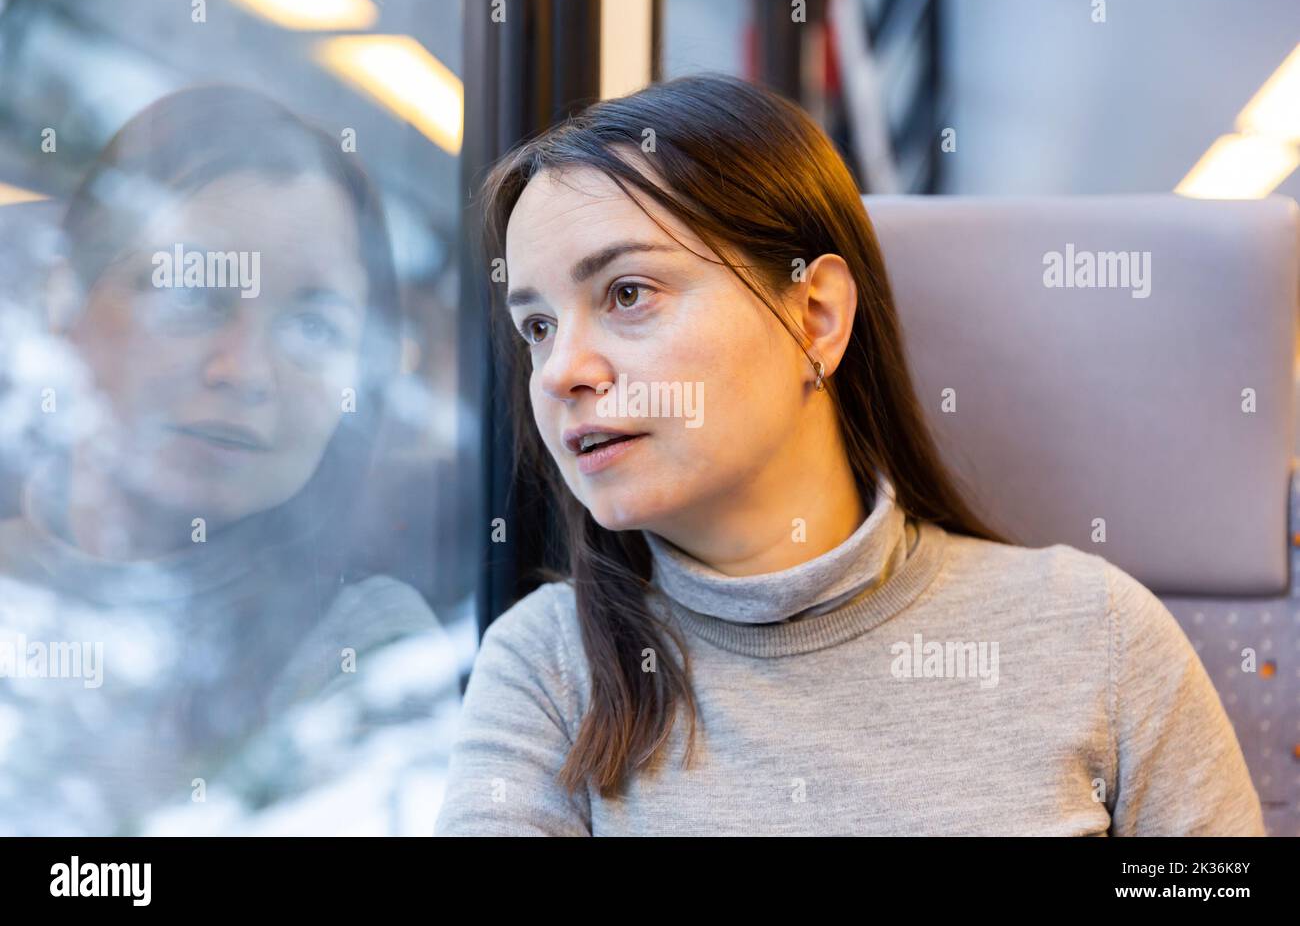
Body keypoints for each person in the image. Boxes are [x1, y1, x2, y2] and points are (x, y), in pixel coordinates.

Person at [434, 73, 1266, 836]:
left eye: (627, 293)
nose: (562, 373)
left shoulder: (1099, 636)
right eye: (537, 327)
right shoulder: (545, 670)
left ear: (817, 317)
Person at [0, 85, 456, 835]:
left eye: (313, 324)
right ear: (64, 301)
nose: (245, 369)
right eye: (191, 293)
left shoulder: (364, 653)